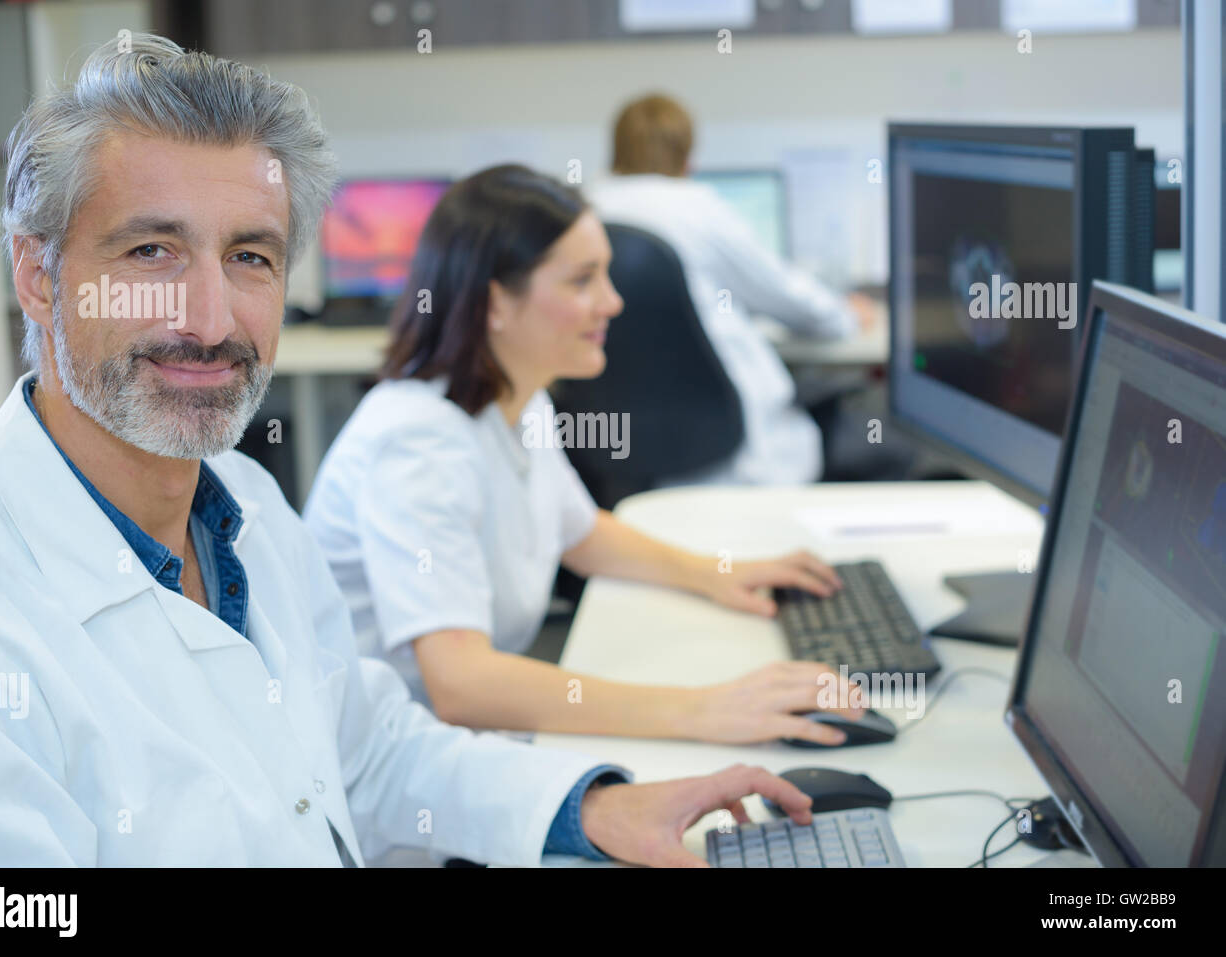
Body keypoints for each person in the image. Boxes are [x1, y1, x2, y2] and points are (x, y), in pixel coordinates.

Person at [0, 35, 819, 868]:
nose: (209, 321)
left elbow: (368, 748)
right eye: (152, 250)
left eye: (250, 257)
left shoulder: (248, 507)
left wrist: (591, 809)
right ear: (40, 276)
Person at [304, 164, 864, 745]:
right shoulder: (418, 444)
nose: (613, 303)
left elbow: (576, 530)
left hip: (465, 743)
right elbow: (461, 684)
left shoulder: (519, 395)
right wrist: (701, 712)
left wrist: (719, 574)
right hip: (391, 777)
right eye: (583, 281)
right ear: (495, 302)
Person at [584, 93, 878, 486]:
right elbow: (791, 298)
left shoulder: (582, 209)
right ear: (688, 157)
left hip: (620, 462)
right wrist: (844, 314)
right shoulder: (697, 206)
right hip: (735, 460)